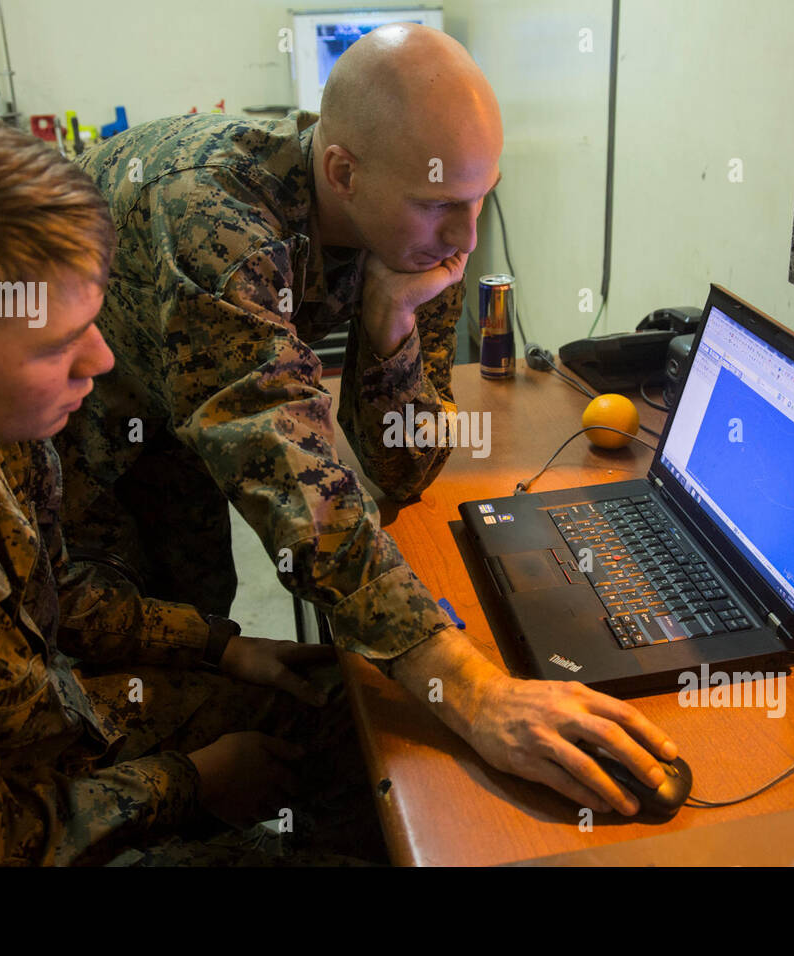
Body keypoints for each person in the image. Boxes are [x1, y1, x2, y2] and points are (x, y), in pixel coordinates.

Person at [55, 21, 679, 815]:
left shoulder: (416, 222)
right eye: (442, 206)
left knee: (200, 614)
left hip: (178, 417)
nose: (467, 236)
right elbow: (289, 478)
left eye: (482, 198)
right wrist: (471, 690)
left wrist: (387, 322)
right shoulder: (216, 219)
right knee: (89, 656)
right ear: (342, 171)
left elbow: (398, 471)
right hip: (73, 422)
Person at [0, 96, 379, 866]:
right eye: (58, 344)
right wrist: (185, 783)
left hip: (57, 728)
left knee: (360, 714)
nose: (100, 362)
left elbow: (52, 590)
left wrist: (221, 648)